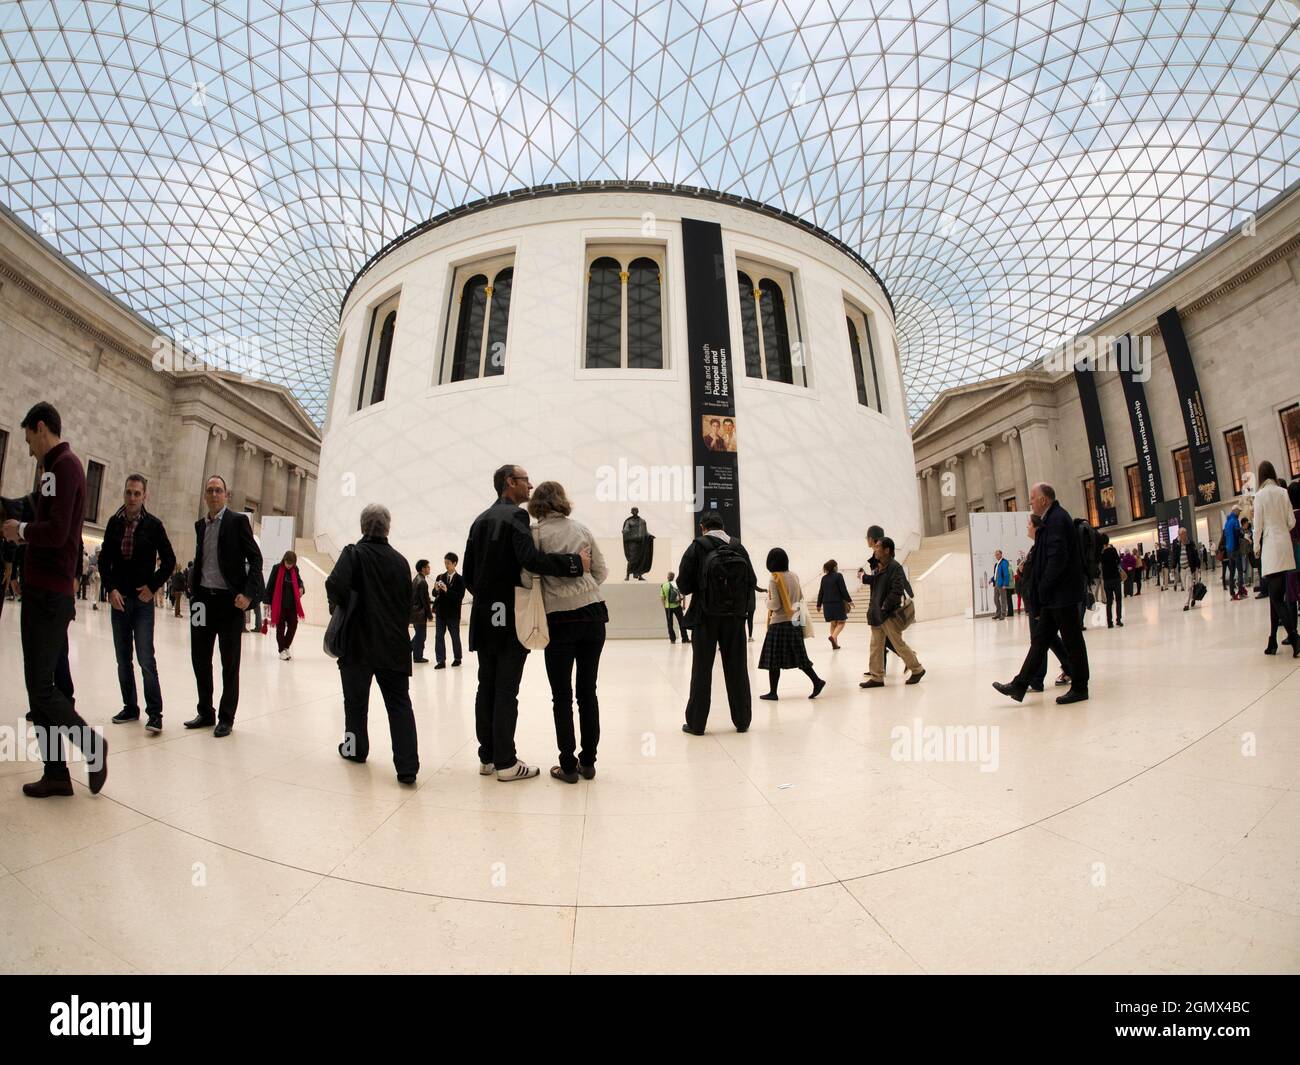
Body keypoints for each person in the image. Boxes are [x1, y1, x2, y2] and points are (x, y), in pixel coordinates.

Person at [2, 402, 107, 798]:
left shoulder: (64, 467)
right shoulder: (54, 469)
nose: (28, 448)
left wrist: (21, 531)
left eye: (29, 439)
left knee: (41, 688)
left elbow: (59, 531)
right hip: (45, 590)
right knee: (52, 686)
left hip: (48, 594)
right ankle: (57, 772)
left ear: (41, 428)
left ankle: (91, 747)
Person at [463, 465, 589, 781]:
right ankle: (507, 763)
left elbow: (468, 574)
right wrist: (575, 563)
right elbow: (530, 560)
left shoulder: (479, 520)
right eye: (525, 481)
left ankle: (488, 757)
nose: (529, 486)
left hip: (484, 616)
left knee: (486, 686)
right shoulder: (516, 518)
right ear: (510, 483)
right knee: (507, 688)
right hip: (509, 618)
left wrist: (487, 598)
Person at [326, 504, 420, 783]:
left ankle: (356, 750)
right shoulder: (401, 562)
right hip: (393, 644)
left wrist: (348, 604)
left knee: (355, 703)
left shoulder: (353, 554)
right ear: (388, 527)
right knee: (399, 704)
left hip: (358, 643)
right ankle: (407, 766)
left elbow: (334, 586)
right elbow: (407, 605)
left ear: (362, 527)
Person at [526, 481, 608, 783]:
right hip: (593, 614)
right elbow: (600, 570)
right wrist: (581, 587)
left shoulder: (534, 535)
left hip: (559, 620)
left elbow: (526, 575)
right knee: (589, 692)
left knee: (562, 695)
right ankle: (589, 762)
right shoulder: (581, 529)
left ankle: (568, 766)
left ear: (536, 504)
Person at [991, 482, 1090, 704]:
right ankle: (1019, 685)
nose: (1030, 503)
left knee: (1072, 640)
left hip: (1061, 595)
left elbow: (1056, 560)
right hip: (1056, 596)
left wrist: (1043, 588)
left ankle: (1080, 686)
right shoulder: (1052, 519)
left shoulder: (1056, 520)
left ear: (1044, 499)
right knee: (1040, 641)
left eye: (1032, 499)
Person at [186, 474, 262, 737]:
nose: (214, 494)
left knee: (229, 662)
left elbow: (256, 558)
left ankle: (226, 717)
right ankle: (206, 712)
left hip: (229, 603)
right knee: (199, 658)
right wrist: (193, 590)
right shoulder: (200, 525)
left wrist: (248, 594)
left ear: (226, 495)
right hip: (202, 601)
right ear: (205, 495)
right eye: (210, 490)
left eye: (219, 490)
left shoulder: (238, 522)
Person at [100, 474, 176, 732]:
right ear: (124, 494)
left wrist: (152, 587)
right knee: (123, 659)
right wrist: (110, 589)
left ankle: (155, 713)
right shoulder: (113, 523)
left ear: (145, 496)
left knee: (146, 658)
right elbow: (104, 561)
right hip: (119, 601)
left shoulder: (154, 525)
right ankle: (130, 707)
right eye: (129, 493)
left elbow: (169, 560)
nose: (132, 498)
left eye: (137, 493)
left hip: (142, 603)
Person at [676, 513, 755, 734]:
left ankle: (697, 723)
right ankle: (742, 721)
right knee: (737, 668)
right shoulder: (738, 547)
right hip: (735, 618)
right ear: (723, 526)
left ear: (703, 527)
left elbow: (683, 585)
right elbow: (752, 581)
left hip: (705, 617)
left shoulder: (697, 547)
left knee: (702, 669)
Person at [758, 547, 825, 700]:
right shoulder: (793, 575)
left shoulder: (774, 578)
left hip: (779, 623)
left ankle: (773, 692)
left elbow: (775, 605)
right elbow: (800, 598)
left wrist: (766, 602)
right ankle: (816, 681)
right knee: (800, 657)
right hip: (794, 620)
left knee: (773, 659)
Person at [860, 537, 924, 688]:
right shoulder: (880, 567)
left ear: (887, 550)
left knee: (898, 644)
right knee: (875, 646)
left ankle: (917, 669)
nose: (875, 550)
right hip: (876, 614)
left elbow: (897, 589)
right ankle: (876, 677)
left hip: (886, 614)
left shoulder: (894, 567)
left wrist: (885, 607)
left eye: (877, 547)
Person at [1254, 461, 1299, 657]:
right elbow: (1291, 521)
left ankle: (1295, 638)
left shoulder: (1260, 496)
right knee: (1277, 597)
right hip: (1285, 547)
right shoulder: (1283, 492)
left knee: (1276, 597)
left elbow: (1258, 525)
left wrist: (1256, 546)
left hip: (1271, 548)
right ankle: (1272, 641)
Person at [264, 550, 305, 659]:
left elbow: (300, 581)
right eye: (287, 563)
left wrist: (301, 587)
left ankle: (286, 646)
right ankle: (281, 650)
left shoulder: (295, 570)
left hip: (291, 605)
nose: (288, 565)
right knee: (280, 628)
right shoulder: (276, 568)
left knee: (293, 625)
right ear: (284, 560)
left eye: (291, 564)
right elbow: (270, 585)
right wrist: (266, 601)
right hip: (279, 604)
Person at [432, 552, 465, 668]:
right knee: (438, 636)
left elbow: (459, 596)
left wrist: (447, 590)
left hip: (453, 614)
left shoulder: (460, 579)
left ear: (455, 563)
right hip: (441, 613)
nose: (446, 565)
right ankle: (440, 660)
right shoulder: (440, 577)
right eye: (445, 563)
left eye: (448, 563)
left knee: (455, 636)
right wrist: (436, 589)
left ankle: (457, 658)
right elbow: (434, 593)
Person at [816, 559, 852, 650]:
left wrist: (818, 604)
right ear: (834, 567)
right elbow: (843, 589)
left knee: (833, 623)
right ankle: (833, 637)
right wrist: (849, 600)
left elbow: (821, 592)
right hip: (837, 603)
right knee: (841, 622)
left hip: (827, 604)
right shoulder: (838, 576)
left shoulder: (824, 578)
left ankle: (835, 643)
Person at [409, 558, 433, 663]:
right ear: (423, 569)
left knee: (418, 634)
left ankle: (407, 651)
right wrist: (430, 614)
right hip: (419, 613)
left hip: (414, 612)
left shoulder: (416, 579)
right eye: (428, 567)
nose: (429, 569)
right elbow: (424, 601)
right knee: (421, 636)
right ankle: (417, 656)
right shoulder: (422, 582)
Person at [622, 506, 652, 580]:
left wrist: (650, 536)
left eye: (636, 510)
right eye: (633, 510)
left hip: (641, 543)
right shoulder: (629, 521)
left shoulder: (642, 521)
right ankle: (627, 575)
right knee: (632, 559)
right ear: (631, 512)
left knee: (640, 559)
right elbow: (625, 529)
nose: (634, 512)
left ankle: (640, 575)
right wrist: (625, 531)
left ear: (638, 511)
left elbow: (645, 532)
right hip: (633, 543)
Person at [1099, 534, 1123, 628]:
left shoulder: (1101, 553)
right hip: (1116, 578)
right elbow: (1118, 561)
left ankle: (1109, 622)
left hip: (1107, 580)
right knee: (1118, 600)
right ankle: (1119, 620)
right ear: (1108, 541)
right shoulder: (1113, 550)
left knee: (1109, 602)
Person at [661, 570, 690, 643]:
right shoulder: (677, 584)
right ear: (673, 577)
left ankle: (672, 640)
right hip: (677, 606)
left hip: (668, 607)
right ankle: (685, 638)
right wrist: (683, 605)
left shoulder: (664, 585)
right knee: (681, 622)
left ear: (668, 577)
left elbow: (662, 598)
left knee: (670, 624)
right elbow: (683, 594)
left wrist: (665, 606)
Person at [1223, 505, 1243, 598]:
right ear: (1235, 511)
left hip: (1229, 550)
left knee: (1231, 572)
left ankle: (1232, 593)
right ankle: (1241, 592)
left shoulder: (1227, 522)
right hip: (1236, 549)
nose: (1239, 513)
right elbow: (1238, 534)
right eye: (1239, 511)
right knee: (1239, 571)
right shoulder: (1235, 521)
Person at [1179, 527, 1201, 612]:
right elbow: (1176, 555)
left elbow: (1195, 555)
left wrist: (1198, 567)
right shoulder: (1178, 544)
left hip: (1189, 568)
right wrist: (1174, 567)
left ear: (1185, 534)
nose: (1181, 536)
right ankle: (1193, 598)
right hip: (1182, 569)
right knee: (1186, 587)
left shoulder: (1190, 543)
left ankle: (1186, 604)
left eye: (1182, 534)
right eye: (1180, 535)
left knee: (1188, 586)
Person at [991, 549, 1012, 619]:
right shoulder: (997, 564)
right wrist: (991, 579)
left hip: (1002, 584)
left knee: (1003, 599)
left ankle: (1003, 614)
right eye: (995, 554)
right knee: (996, 599)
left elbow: (1006, 574)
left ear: (1001, 554)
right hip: (996, 584)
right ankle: (998, 613)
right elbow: (996, 574)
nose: (996, 556)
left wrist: (1005, 584)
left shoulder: (1004, 562)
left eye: (997, 554)